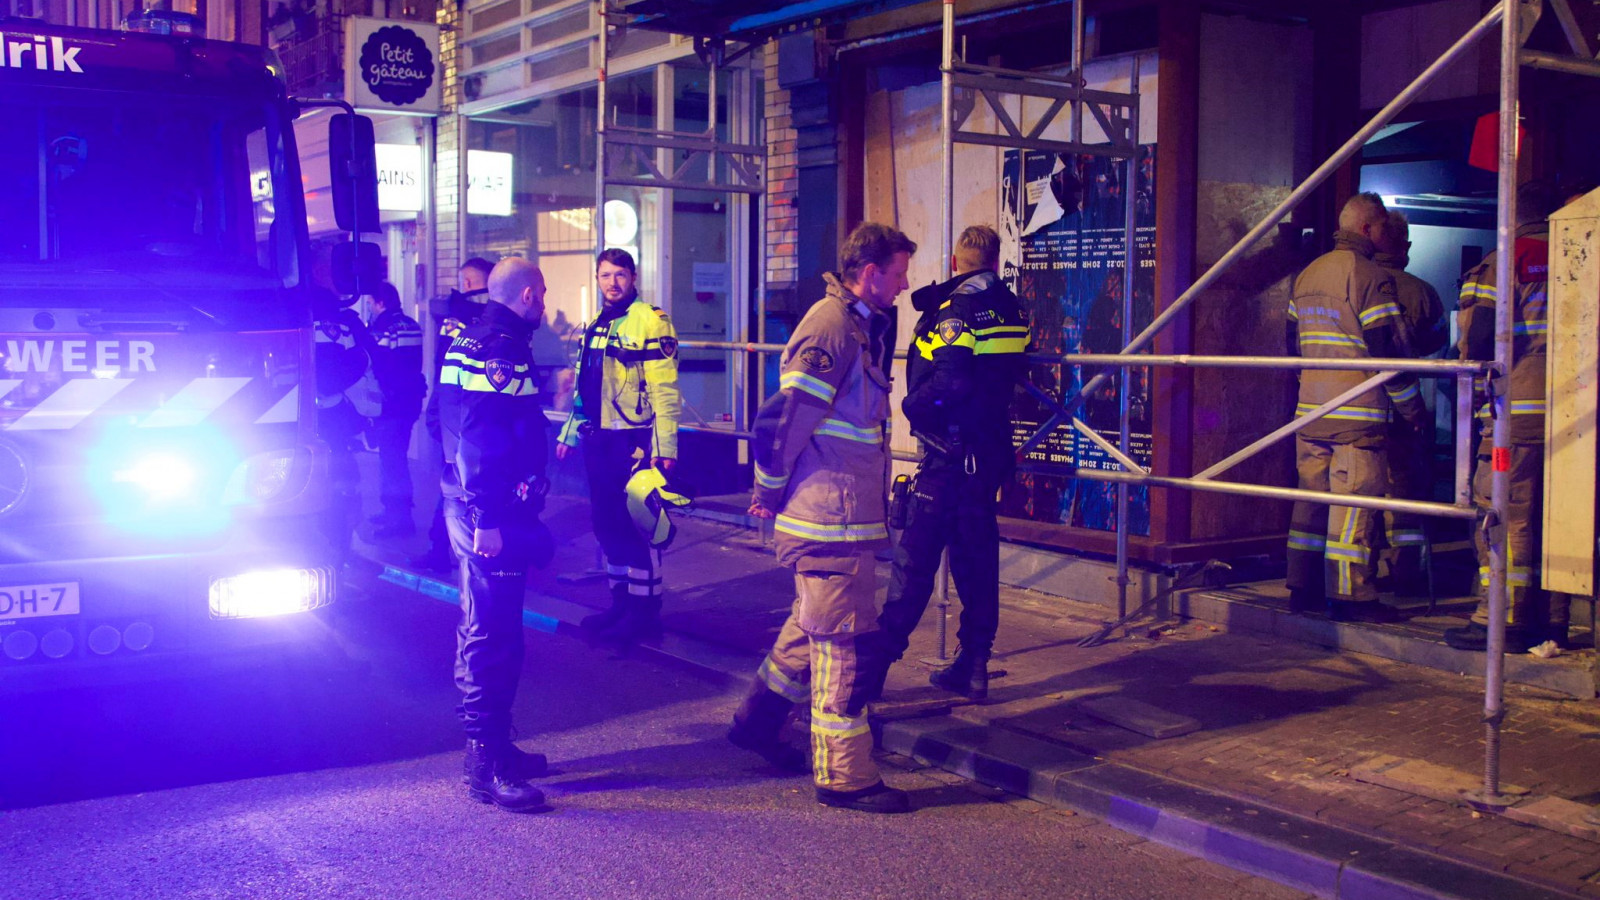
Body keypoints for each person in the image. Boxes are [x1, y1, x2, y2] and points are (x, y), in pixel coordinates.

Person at [729, 222, 915, 815]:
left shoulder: (855, 325)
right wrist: (768, 488)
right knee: (843, 643)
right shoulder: (832, 326)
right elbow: (784, 420)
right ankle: (844, 776)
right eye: (899, 273)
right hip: (827, 520)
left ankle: (758, 723)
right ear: (869, 274)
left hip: (836, 516)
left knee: (811, 628)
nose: (905, 285)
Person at [868, 225, 1029, 702]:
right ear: (996, 262)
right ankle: (973, 665)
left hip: (948, 454)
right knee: (976, 560)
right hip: (988, 451)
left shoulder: (956, 310)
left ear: (957, 262)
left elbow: (951, 382)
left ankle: (874, 667)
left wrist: (912, 407)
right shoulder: (1011, 306)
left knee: (914, 561)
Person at [437, 257, 555, 812]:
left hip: (475, 503)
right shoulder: (500, 347)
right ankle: (486, 763)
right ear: (529, 294)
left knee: (488, 624)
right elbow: (481, 440)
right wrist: (487, 517)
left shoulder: (471, 337)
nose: (547, 304)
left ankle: (497, 745)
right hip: (490, 512)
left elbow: (441, 422)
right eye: (545, 295)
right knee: (493, 632)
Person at [1285, 193, 1429, 622]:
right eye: (1384, 225)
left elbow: (1292, 347)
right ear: (1369, 229)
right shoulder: (1368, 277)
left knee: (1310, 502)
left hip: (1311, 413)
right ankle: (1352, 598)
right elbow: (1391, 357)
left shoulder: (1309, 273)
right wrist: (1413, 411)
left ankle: (1302, 587)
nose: (1389, 233)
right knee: (1354, 507)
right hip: (1358, 416)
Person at [1445, 182, 1564, 653]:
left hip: (1512, 411)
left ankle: (1502, 618)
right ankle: (1552, 618)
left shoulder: (1501, 261)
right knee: (1551, 517)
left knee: (1501, 513)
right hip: (1568, 412)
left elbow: (1476, 341)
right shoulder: (1578, 256)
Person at [555, 249, 682, 643]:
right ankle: (620, 606)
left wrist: (667, 446)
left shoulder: (651, 321)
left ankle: (644, 614)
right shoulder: (594, 325)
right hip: (599, 439)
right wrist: (568, 432)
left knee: (637, 525)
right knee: (605, 524)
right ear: (597, 279)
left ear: (633, 277)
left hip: (635, 440)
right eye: (606, 275)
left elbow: (665, 390)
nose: (613, 282)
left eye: (620, 275)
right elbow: (583, 388)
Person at [1372, 210, 1447, 595]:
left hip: (1359, 409)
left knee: (1362, 491)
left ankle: (1361, 572)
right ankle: (1404, 573)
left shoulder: (1359, 282)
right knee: (1406, 490)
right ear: (1405, 247)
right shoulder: (1423, 291)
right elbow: (1437, 341)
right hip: (1406, 408)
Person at [413, 258, 496, 573]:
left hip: (460, 421)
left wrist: (437, 419)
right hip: (466, 420)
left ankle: (443, 551)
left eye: (470, 283)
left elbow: (445, 372)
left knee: (454, 488)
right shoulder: (490, 320)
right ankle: (454, 549)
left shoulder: (463, 320)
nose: (465, 290)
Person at [365, 282, 426, 538]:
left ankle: (399, 520)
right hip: (410, 402)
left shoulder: (383, 328)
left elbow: (377, 365)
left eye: (370, 303)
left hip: (389, 403)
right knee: (395, 456)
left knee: (392, 461)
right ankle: (393, 511)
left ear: (380, 303)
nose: (369, 308)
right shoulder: (412, 324)